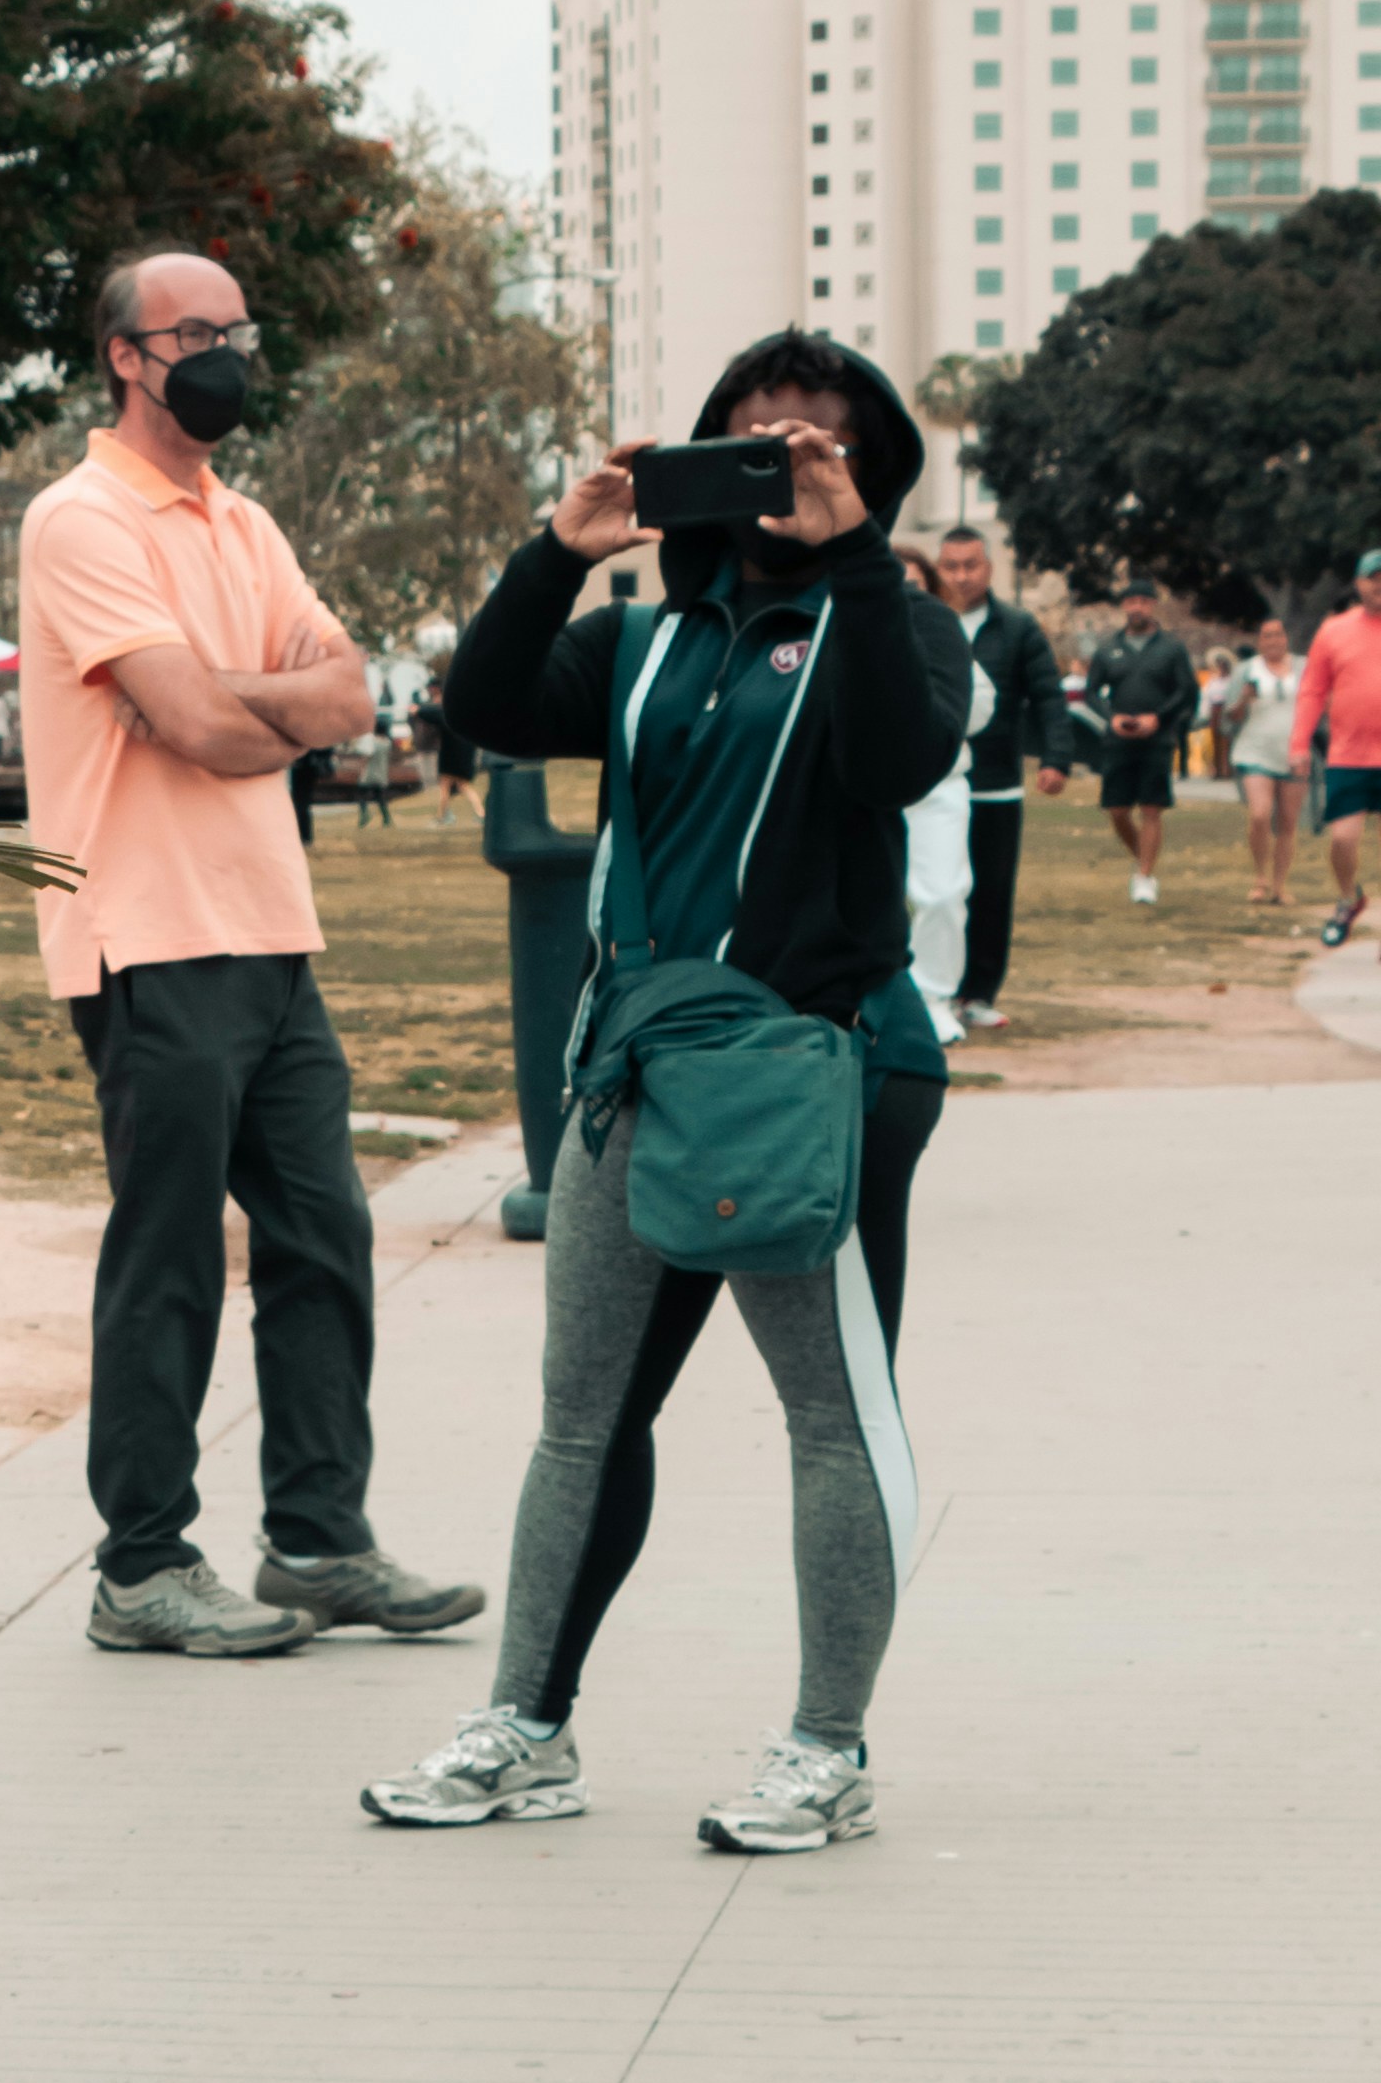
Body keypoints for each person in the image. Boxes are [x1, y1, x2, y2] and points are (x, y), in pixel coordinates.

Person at [363, 337, 972, 1857]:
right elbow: (491, 705)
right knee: (583, 1419)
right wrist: (554, 556)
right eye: (755, 439)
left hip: (813, 1067)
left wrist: (856, 569)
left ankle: (828, 1748)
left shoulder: (890, 627)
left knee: (830, 1415)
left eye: (820, 445)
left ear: (868, 472)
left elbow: (901, 762)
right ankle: (525, 1725)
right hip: (634, 1062)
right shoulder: (646, 637)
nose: (785, 463)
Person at [14, 247, 479, 1663]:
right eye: (192, 329)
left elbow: (336, 697)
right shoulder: (79, 519)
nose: (223, 351)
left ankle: (321, 1544)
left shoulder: (247, 524)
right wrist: (250, 708)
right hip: (148, 936)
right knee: (168, 1261)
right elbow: (209, 729)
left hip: (273, 928)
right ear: (124, 355)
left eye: (237, 327)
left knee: (326, 1242)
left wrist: (231, 699)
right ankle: (141, 1567)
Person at [929, 522, 1069, 1029]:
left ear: (989, 568)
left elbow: (1049, 697)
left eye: (971, 565)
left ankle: (978, 993)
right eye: (951, 566)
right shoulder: (924, 619)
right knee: (935, 892)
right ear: (936, 568)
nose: (961, 576)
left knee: (990, 892)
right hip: (930, 785)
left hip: (995, 785)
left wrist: (1056, 758)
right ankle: (929, 992)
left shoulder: (1017, 628)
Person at [897, 555, 987, 1040]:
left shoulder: (949, 636)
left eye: (914, 584)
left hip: (937, 786)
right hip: (864, 785)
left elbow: (980, 707)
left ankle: (933, 998)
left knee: (943, 893)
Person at [1087, 595, 1197, 903]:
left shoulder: (1171, 648)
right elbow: (1091, 692)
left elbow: (1185, 690)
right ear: (1123, 607)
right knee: (1117, 809)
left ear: (1152, 605)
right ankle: (1144, 857)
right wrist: (1112, 718)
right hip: (1119, 739)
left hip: (1156, 739)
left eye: (1143, 602)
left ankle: (1144, 876)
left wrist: (1159, 718)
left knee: (1151, 807)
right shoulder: (1108, 648)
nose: (1137, 608)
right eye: (1130, 602)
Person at [1301, 546, 1381, 949]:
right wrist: (1300, 743)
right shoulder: (1334, 631)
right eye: (1374, 577)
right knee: (1343, 840)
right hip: (1349, 753)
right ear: (1359, 584)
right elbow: (1313, 690)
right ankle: (1349, 898)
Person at [1220, 617, 1303, 914]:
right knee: (1260, 814)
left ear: (1286, 638)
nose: (1273, 641)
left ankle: (1280, 885)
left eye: (1278, 635)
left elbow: (1317, 703)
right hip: (1254, 750)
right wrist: (1243, 700)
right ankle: (1260, 878)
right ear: (1259, 642)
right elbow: (1231, 718)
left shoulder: (1304, 668)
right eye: (1266, 636)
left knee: (1288, 822)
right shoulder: (1246, 671)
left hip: (1294, 753)